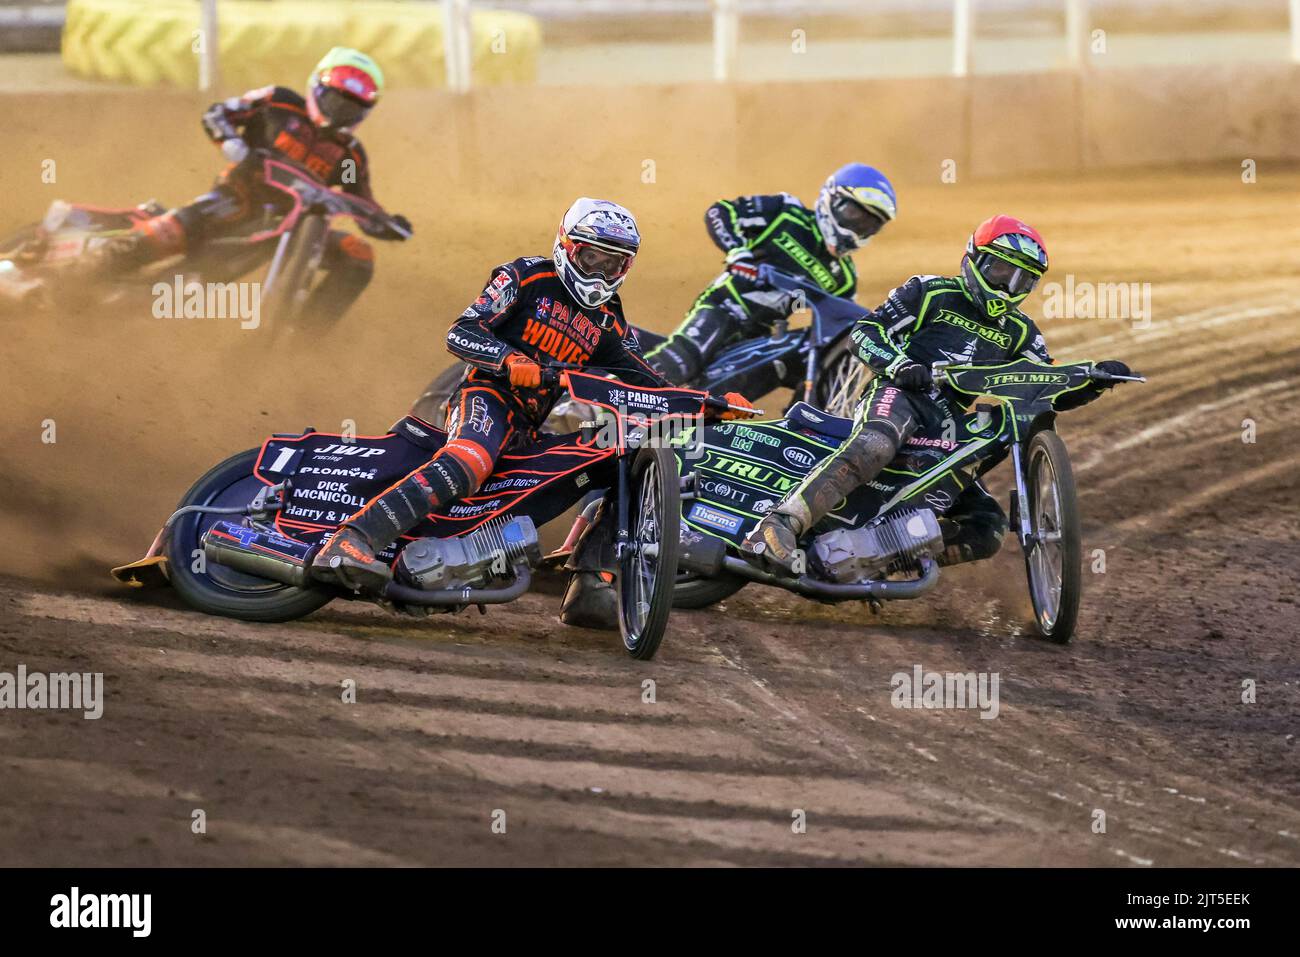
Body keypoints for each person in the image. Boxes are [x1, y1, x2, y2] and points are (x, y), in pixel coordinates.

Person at [311, 197, 753, 594]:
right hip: (485, 397)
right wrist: (508, 361)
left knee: (618, 458)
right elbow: (461, 331)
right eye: (592, 256)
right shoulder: (525, 275)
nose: (600, 272)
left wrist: (710, 403)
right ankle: (351, 540)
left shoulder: (609, 321)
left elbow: (647, 381)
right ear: (566, 246)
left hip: (529, 427)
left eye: (614, 264)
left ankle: (592, 584)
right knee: (470, 459)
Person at [742, 214, 1132, 572]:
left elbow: (1042, 385)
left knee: (989, 526)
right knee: (876, 444)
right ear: (974, 260)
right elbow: (865, 332)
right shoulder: (930, 292)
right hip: (899, 396)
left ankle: (865, 560)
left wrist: (1092, 382)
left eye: (1022, 280)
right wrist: (899, 366)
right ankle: (779, 524)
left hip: (949, 429)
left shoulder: (1022, 332)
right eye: (1000, 271)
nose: (1008, 286)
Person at [89, 47, 410, 321]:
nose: (341, 111)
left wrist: (387, 223)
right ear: (317, 86)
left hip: (289, 230)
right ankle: (87, 270)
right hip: (237, 199)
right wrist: (233, 145)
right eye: (336, 99)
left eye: (352, 106)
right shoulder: (278, 103)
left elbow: (358, 200)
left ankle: (301, 341)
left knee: (357, 254)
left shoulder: (347, 158)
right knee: (167, 234)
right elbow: (219, 114)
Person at [644, 162, 896, 383]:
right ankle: (613, 397)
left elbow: (838, 327)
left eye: (869, 224)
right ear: (832, 198)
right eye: (854, 213)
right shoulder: (787, 213)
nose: (859, 226)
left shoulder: (844, 276)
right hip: (725, 308)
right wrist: (738, 252)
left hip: (762, 339)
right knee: (679, 362)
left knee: (724, 402)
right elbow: (720, 211)